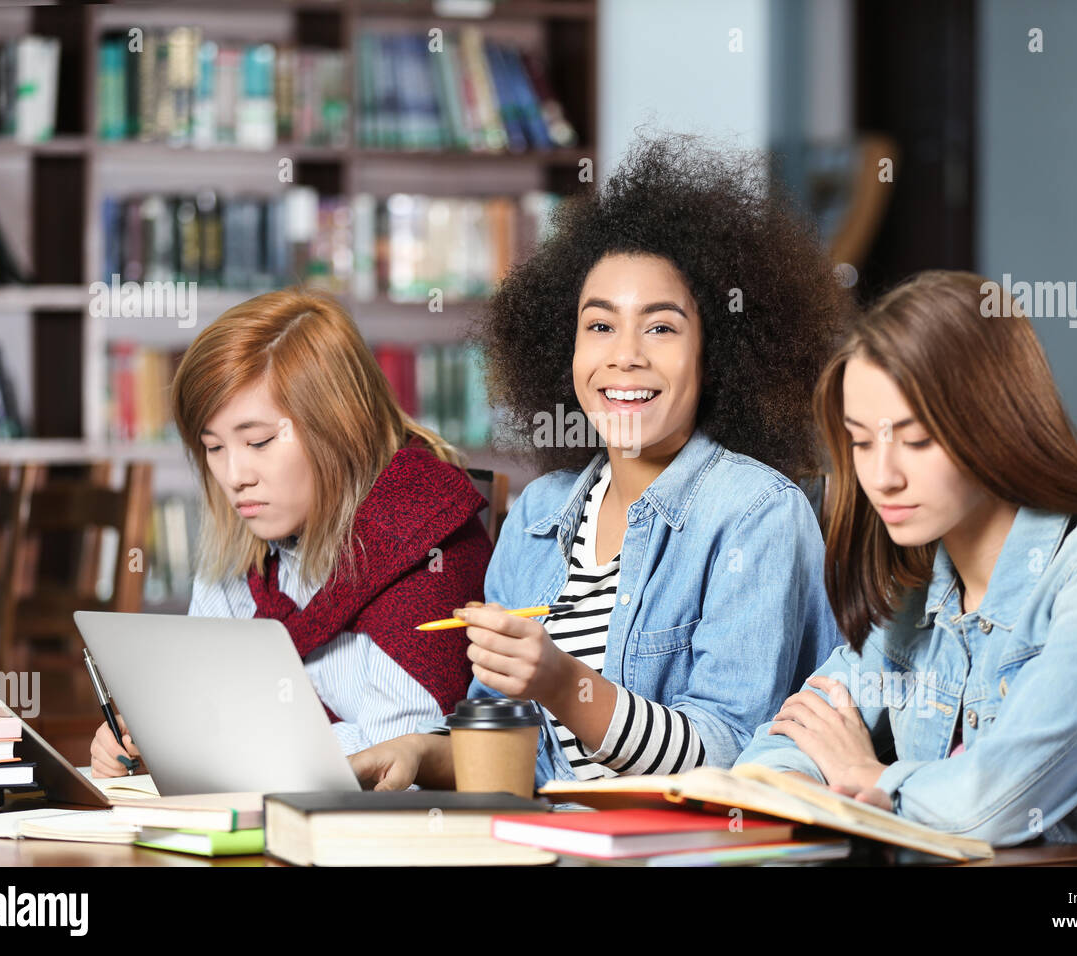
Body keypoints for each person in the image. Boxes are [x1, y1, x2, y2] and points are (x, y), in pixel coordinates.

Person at [352, 135, 851, 791]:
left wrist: (564, 683)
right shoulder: (538, 515)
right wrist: (423, 752)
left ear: (718, 353)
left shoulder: (756, 514)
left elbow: (731, 755)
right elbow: (518, 759)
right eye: (600, 325)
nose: (625, 356)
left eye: (662, 327)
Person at [736, 269, 1077, 865]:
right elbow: (782, 747)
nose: (882, 476)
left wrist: (865, 776)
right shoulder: (911, 597)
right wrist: (807, 789)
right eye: (861, 442)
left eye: (916, 440)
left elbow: (998, 801)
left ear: (997, 422)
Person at [89, 289, 491, 777]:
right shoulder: (242, 545)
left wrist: (227, 741)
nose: (235, 475)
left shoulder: (429, 542)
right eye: (213, 447)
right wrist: (146, 740)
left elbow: (393, 764)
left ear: (338, 426)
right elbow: (200, 712)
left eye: (258, 441)